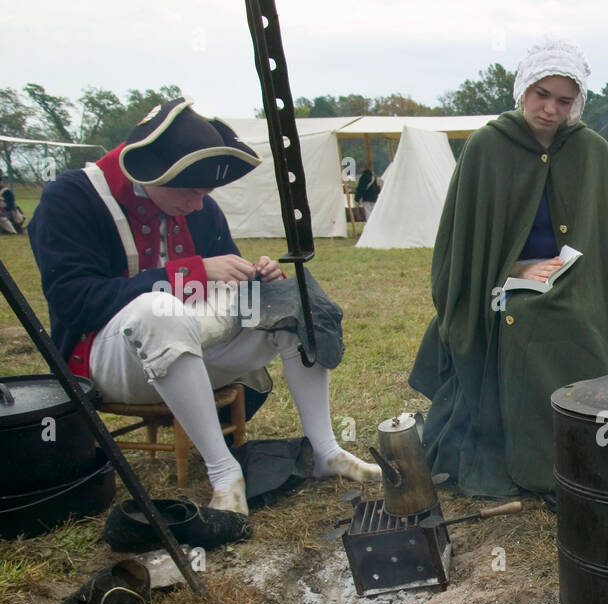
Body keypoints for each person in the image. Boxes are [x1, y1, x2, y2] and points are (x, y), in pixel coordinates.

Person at [28, 97, 379, 516]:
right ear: (151, 173)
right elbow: (75, 304)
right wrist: (191, 272)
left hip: (194, 347)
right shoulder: (70, 198)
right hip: (106, 361)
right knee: (158, 309)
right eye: (190, 191)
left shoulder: (200, 209)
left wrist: (256, 278)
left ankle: (325, 449)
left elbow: (223, 285)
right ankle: (222, 472)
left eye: (205, 192)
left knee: (290, 300)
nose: (198, 204)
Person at [408, 37, 608, 498]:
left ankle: (586, 454)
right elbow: (463, 248)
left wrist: (569, 273)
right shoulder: (487, 148)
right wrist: (516, 269)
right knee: (534, 318)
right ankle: (535, 461)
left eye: (564, 101)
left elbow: (607, 246)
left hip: (580, 279)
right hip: (501, 285)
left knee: (577, 316)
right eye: (542, 96)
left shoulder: (591, 151)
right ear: (524, 90)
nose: (550, 110)